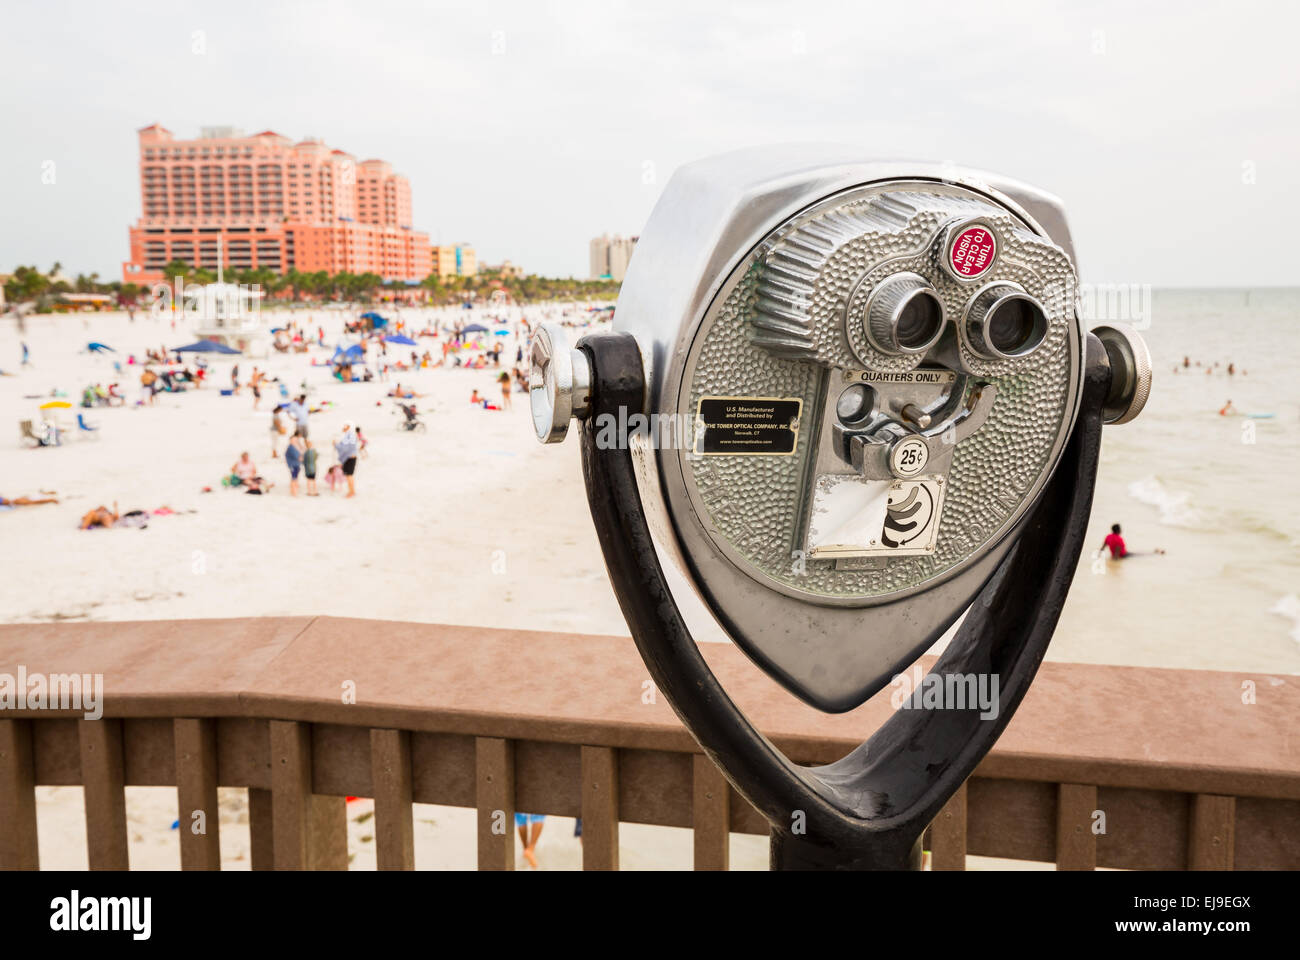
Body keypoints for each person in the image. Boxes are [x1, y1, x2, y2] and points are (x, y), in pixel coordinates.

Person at [335, 423, 360, 498]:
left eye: (346, 426)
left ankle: (351, 492)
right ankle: (352, 491)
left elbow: (345, 448)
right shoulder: (350, 435)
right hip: (351, 457)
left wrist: (336, 445)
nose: (343, 427)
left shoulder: (350, 436)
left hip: (350, 458)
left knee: (349, 475)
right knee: (350, 475)